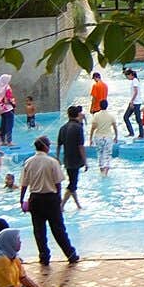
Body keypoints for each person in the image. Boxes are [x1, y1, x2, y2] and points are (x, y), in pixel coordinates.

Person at [20, 136, 80, 265]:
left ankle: (44, 256)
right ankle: (70, 254)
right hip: (51, 198)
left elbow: (24, 184)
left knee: (39, 230)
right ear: (46, 147)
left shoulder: (28, 162)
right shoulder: (52, 162)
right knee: (58, 229)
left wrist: (21, 200)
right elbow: (58, 183)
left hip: (35, 198)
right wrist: (58, 200)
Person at [56, 105, 88, 209]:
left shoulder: (63, 128)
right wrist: (85, 161)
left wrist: (57, 159)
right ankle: (61, 206)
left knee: (72, 181)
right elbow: (81, 146)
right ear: (77, 114)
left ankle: (78, 205)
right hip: (76, 160)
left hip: (67, 159)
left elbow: (58, 145)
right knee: (73, 184)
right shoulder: (78, 127)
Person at [89, 97, 119, 177]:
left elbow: (93, 128)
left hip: (98, 137)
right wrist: (116, 136)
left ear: (99, 106)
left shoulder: (96, 115)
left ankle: (101, 170)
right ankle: (106, 171)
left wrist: (90, 138)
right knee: (108, 154)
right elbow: (115, 127)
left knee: (100, 153)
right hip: (108, 137)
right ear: (107, 106)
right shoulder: (111, 116)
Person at [0, 74, 17, 144]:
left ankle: (2, 141)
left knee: (3, 125)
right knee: (9, 125)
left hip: (2, 109)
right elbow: (9, 98)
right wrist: (13, 104)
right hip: (9, 108)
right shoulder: (7, 88)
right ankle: (9, 141)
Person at [123, 69, 144, 138]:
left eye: (127, 76)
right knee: (126, 117)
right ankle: (131, 132)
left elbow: (136, 92)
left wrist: (131, 101)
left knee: (137, 119)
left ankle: (141, 134)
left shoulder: (135, 80)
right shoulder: (134, 80)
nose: (127, 78)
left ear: (131, 75)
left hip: (136, 103)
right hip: (135, 102)